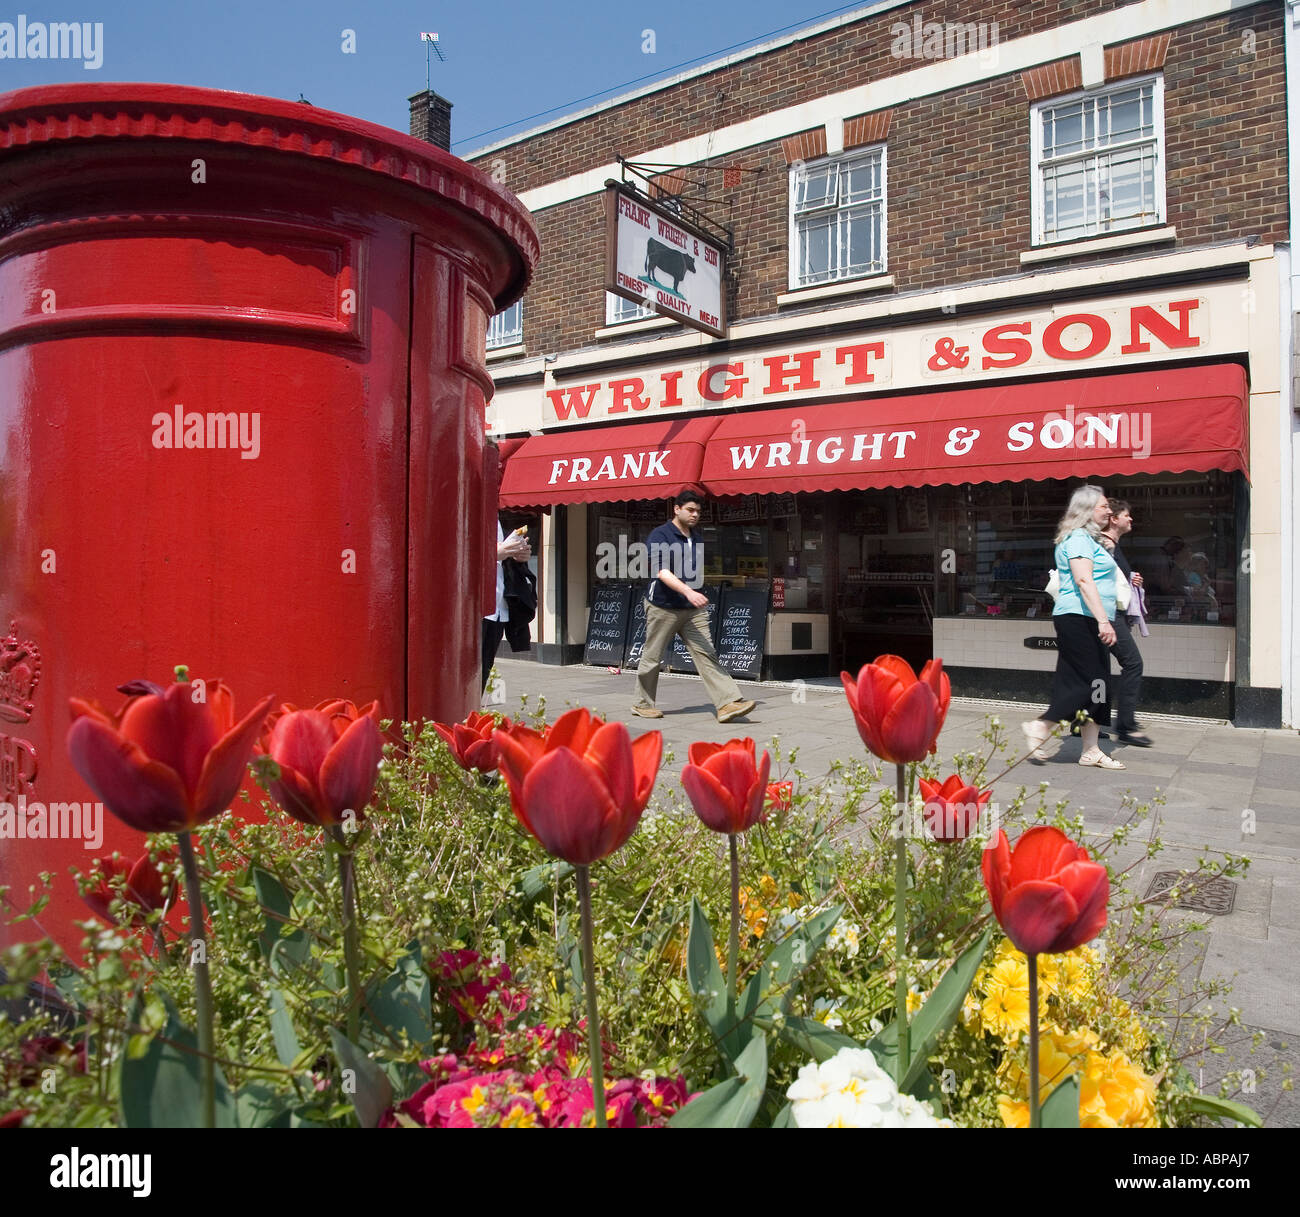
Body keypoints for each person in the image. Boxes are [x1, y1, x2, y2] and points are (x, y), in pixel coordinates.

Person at [1021, 485, 1125, 769]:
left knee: (1098, 683)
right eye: (1103, 505)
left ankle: (1090, 749)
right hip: (1079, 618)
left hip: (1087, 618)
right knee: (1089, 682)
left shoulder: (1089, 540)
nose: (1108, 510)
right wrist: (1104, 620)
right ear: (1088, 509)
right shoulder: (1078, 539)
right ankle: (1042, 726)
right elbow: (1083, 580)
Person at [632, 489, 757, 723]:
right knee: (652, 656)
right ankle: (642, 704)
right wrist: (689, 591)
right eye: (690, 510)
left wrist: (695, 591)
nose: (695, 514)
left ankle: (727, 702)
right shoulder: (661, 535)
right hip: (663, 606)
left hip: (691, 609)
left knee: (706, 652)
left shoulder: (696, 537)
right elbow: (662, 572)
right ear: (676, 509)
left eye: (698, 511)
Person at [1098, 500, 1153, 747]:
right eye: (1126, 515)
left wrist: (1132, 580)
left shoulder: (1114, 546)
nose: (1131, 519)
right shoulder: (1104, 544)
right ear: (1113, 519)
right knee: (1133, 663)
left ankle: (1084, 723)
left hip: (1110, 614)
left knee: (1096, 668)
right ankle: (1125, 726)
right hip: (1107, 615)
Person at [483, 519, 531, 694]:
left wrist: (518, 556)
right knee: (470, 676)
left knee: (484, 672)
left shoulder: (495, 516)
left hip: (498, 608)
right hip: (477, 608)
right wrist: (494, 554)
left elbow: (499, 561)